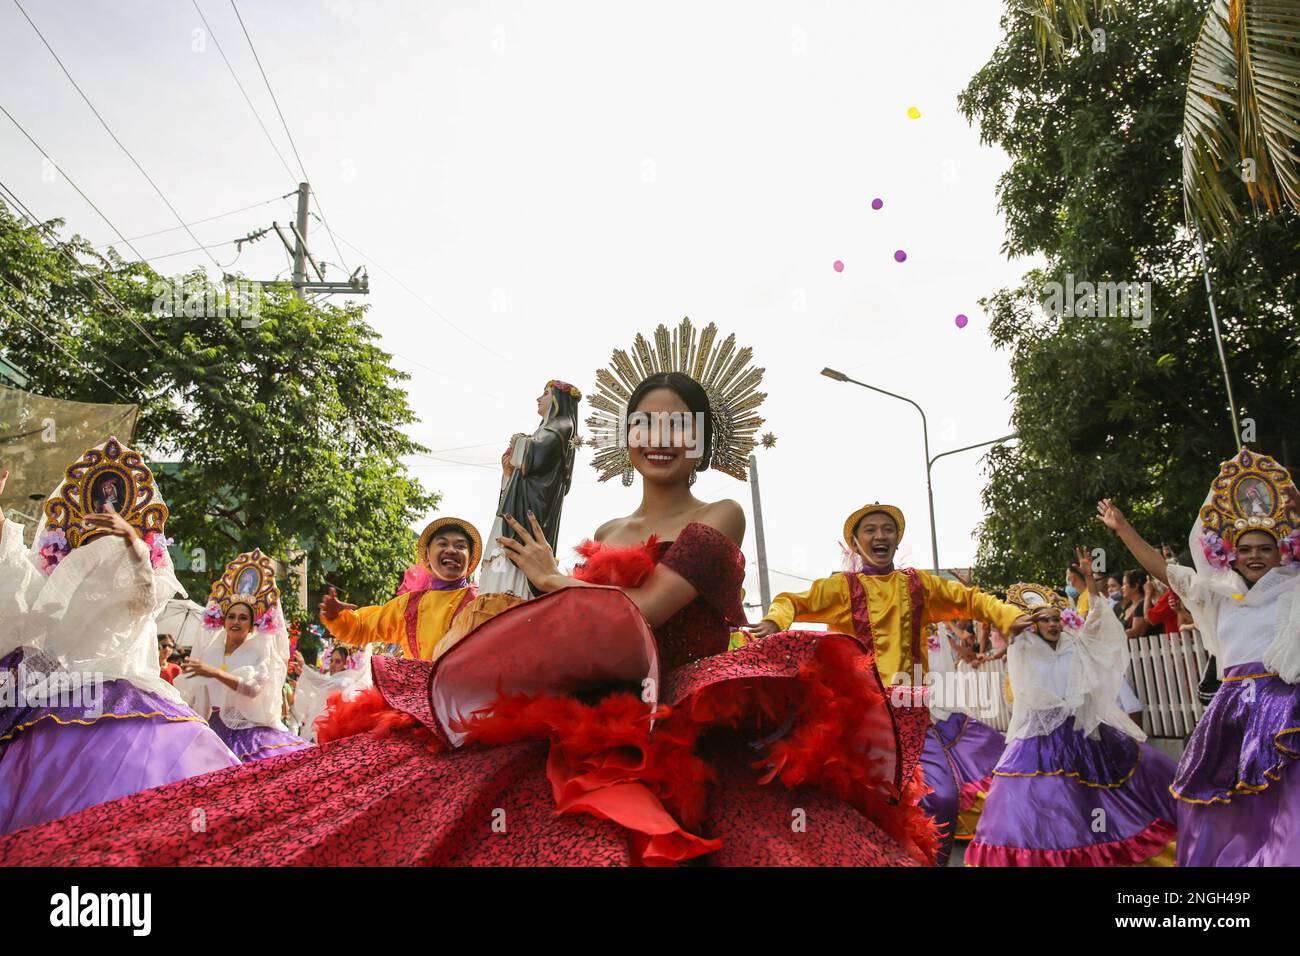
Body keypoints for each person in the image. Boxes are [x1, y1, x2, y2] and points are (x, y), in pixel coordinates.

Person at [0, 319, 944, 867]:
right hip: (587, 708)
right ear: (625, 434)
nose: (660, 437)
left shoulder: (725, 514)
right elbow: (577, 630)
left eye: (679, 424)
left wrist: (549, 584)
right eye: (644, 422)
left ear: (705, 439)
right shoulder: (605, 531)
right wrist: (535, 596)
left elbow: (645, 616)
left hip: (691, 719)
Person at [0, 442, 240, 835]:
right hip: (67, 694)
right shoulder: (72, 562)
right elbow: (45, 620)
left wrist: (133, 544)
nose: (106, 511)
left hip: (113, 692)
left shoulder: (136, 560)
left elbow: (145, 601)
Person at [1099, 447, 1300, 866]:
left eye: (1265, 547)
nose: (1256, 555)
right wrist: (1122, 528)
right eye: (1246, 548)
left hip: (1284, 708)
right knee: (1215, 806)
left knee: (1287, 803)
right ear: (1232, 553)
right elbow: (1162, 568)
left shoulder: (1292, 587)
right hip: (1230, 710)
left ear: (1281, 551)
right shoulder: (1216, 595)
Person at [966, 551, 1178, 866]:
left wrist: (1090, 580)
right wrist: (978, 594)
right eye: (1044, 620)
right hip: (1039, 739)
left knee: (1098, 797)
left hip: (1082, 731)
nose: (1052, 624)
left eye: (1056, 618)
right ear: (1032, 625)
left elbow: (1097, 621)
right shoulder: (1023, 647)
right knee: (1047, 801)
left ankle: (1101, 851)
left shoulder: (1073, 643)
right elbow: (1003, 623)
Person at [177, 549, 310, 762]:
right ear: (223, 621)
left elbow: (252, 689)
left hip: (248, 732)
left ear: (251, 626)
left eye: (242, 618)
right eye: (231, 616)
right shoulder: (211, 652)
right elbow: (198, 698)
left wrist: (214, 673)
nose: (235, 622)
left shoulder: (258, 653)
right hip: (213, 732)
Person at [318, 517, 481, 661]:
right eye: (442, 544)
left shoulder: (482, 601)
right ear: (427, 556)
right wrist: (335, 617)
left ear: (471, 558)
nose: (451, 550)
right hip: (421, 694)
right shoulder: (408, 606)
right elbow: (362, 628)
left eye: (460, 546)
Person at [477, 381, 582, 602]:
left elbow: (539, 454)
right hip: (518, 502)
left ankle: (508, 594)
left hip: (532, 508)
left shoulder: (561, 426)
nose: (538, 399)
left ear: (556, 400)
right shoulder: (546, 428)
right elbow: (526, 464)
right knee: (501, 555)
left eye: (545, 394)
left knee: (514, 563)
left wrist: (520, 441)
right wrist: (508, 474)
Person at [291, 644, 373, 744]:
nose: (332, 665)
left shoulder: (345, 682)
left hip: (330, 733)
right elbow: (321, 684)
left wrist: (304, 667)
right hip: (320, 729)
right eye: (331, 661)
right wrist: (303, 673)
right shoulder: (334, 679)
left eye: (337, 661)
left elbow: (321, 683)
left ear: (346, 664)